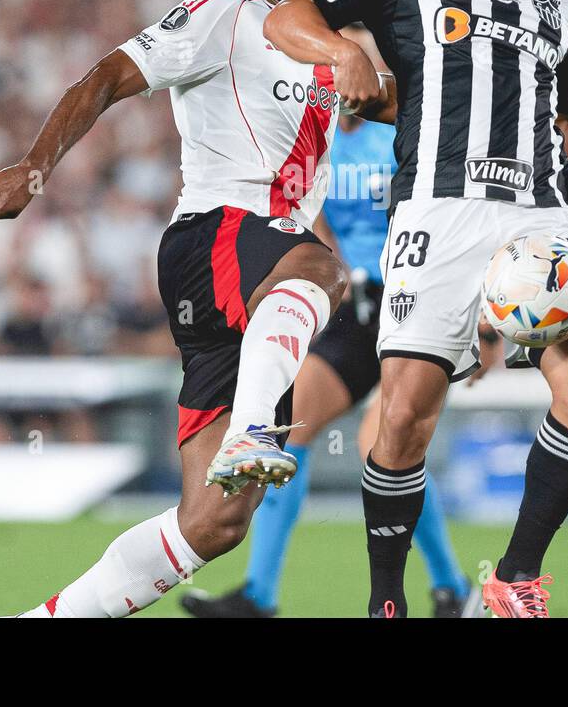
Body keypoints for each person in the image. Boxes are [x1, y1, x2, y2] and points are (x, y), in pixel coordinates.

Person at [0, 0, 381, 617]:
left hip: (254, 296)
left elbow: (409, 106)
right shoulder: (222, 15)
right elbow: (104, 78)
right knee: (327, 271)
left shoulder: (338, 43)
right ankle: (257, 426)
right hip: (218, 237)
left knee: (216, 520)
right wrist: (34, 167)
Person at [262, 0, 568, 617]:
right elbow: (288, 15)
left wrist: (562, 170)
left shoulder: (565, 14)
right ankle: (387, 597)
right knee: (401, 419)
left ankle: (516, 576)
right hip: (437, 210)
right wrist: (336, 55)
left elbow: (567, 128)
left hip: (539, 215)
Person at [179, 111, 483, 618]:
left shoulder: (404, 134)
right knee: (287, 430)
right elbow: (301, 207)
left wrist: (482, 327)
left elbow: (449, 212)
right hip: (353, 312)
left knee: (383, 446)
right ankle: (259, 594)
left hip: (411, 306)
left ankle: (453, 589)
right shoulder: (314, 137)